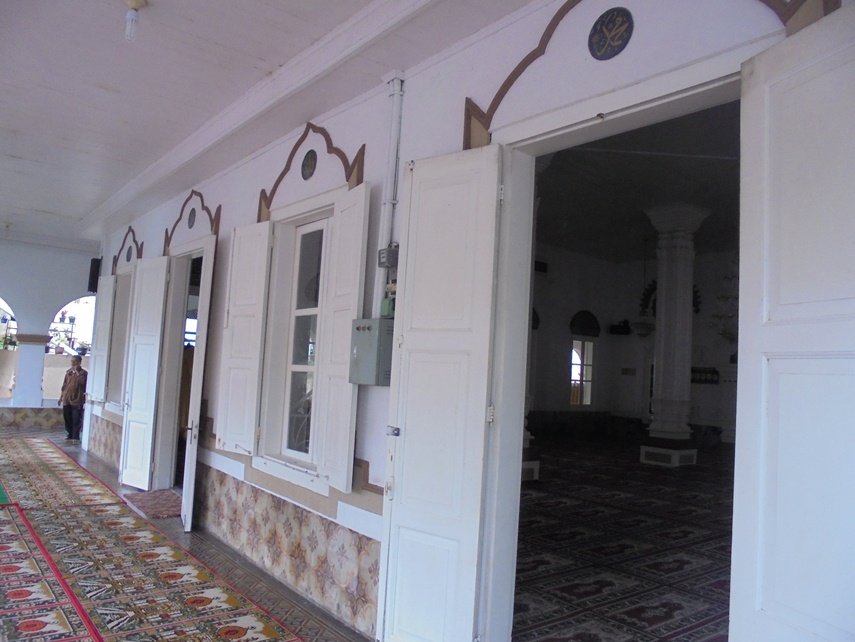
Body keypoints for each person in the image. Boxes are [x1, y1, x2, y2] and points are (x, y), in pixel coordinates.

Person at [59, 355, 87, 441]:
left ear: (79, 362)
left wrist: (77, 372)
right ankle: (69, 434)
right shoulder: (68, 373)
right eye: (72, 361)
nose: (72, 363)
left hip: (77, 400)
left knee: (76, 419)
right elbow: (64, 385)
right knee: (67, 418)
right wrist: (61, 397)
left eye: (74, 361)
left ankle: (75, 436)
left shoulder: (83, 373)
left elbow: (83, 383)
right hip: (67, 399)